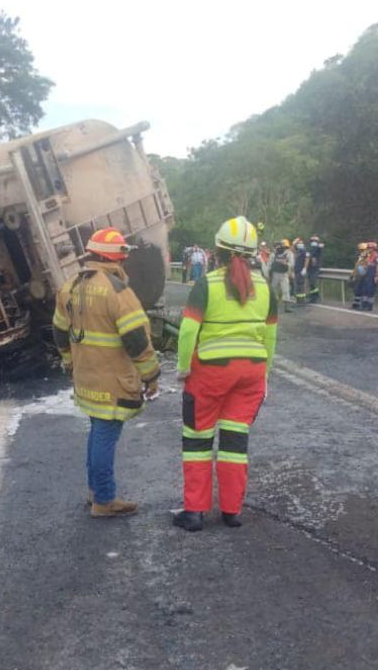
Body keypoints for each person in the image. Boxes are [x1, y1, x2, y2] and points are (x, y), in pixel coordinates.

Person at [175, 216, 279, 531]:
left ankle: (194, 512)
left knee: (197, 440)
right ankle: (232, 511)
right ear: (251, 253)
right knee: (235, 442)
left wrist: (183, 368)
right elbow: (270, 337)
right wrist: (265, 375)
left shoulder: (207, 284)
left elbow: (188, 332)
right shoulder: (265, 287)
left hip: (210, 372)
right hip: (251, 372)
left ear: (217, 251)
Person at [52, 227, 161, 518]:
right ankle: (104, 499)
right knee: (105, 433)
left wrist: (68, 363)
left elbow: (59, 332)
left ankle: (95, 490)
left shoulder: (70, 285)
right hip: (112, 379)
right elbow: (137, 339)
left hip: (85, 377)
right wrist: (150, 376)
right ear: (118, 259)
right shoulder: (117, 290)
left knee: (97, 431)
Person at [353, 242, 378, 311]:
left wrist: (376, 276)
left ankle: (369, 306)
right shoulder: (367, 256)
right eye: (368, 248)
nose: (369, 249)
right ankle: (364, 305)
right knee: (365, 290)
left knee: (370, 291)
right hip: (366, 274)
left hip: (372, 274)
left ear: (374, 249)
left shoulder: (376, 256)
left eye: (371, 248)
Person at [269, 239, 294, 313]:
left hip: (284, 274)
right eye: (277, 246)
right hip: (275, 274)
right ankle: (272, 305)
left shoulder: (289, 254)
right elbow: (269, 264)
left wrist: (286, 264)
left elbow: (292, 264)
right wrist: (268, 274)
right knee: (273, 290)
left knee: (285, 290)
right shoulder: (273, 254)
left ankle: (287, 307)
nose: (278, 248)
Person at [306, 235, 324, 304]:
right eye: (312, 241)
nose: (313, 242)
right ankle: (313, 297)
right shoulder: (310, 248)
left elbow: (319, 249)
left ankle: (316, 297)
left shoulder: (317, 248)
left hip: (315, 268)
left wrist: (319, 246)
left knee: (312, 283)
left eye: (315, 241)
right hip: (310, 268)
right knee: (311, 283)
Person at [292, 238, 309, 305]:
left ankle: (302, 301)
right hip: (297, 270)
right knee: (297, 286)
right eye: (299, 243)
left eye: (301, 243)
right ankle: (298, 301)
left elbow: (307, 259)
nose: (300, 244)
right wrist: (294, 243)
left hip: (301, 271)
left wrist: (305, 268)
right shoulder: (298, 251)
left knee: (301, 286)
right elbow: (292, 250)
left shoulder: (305, 251)